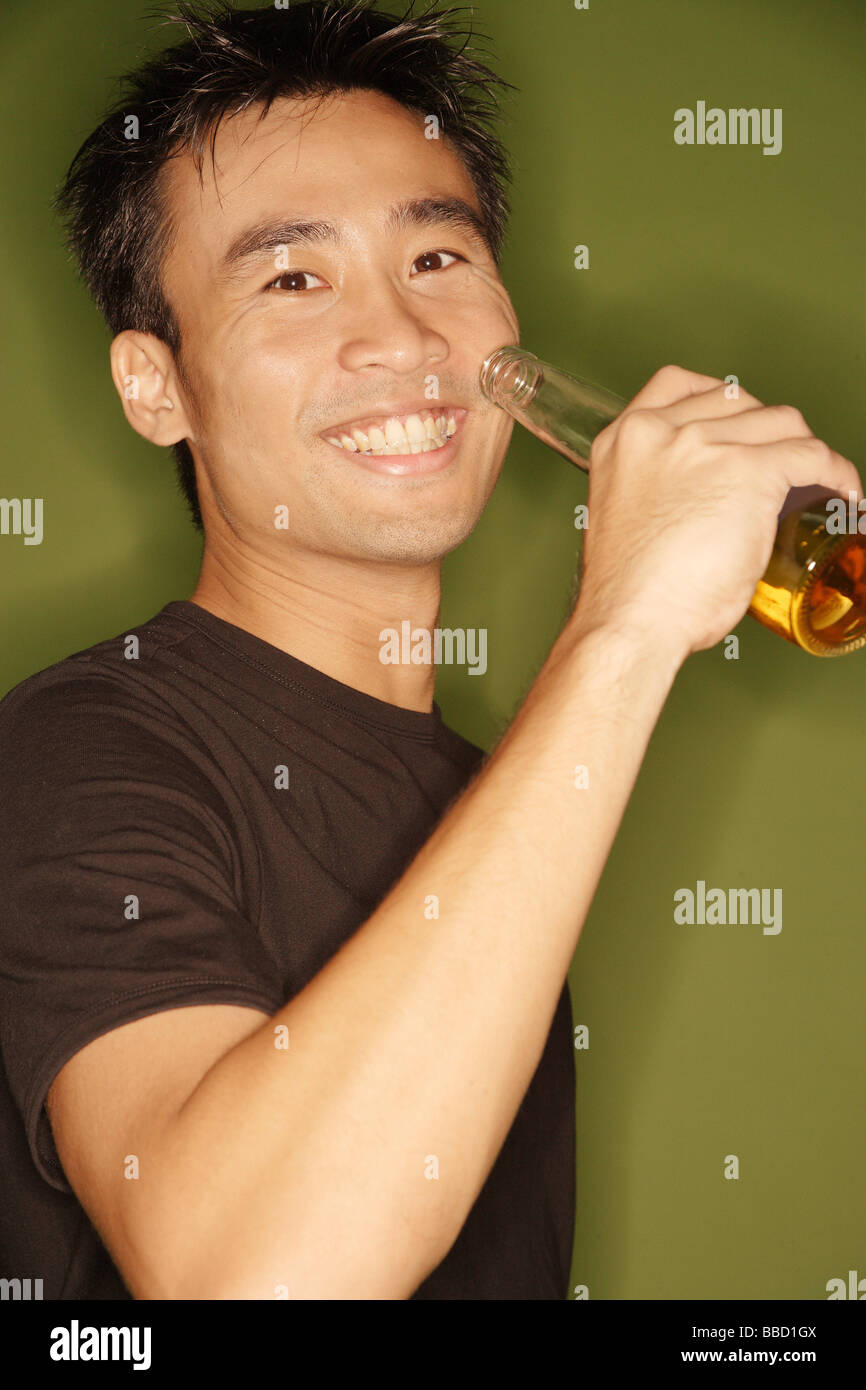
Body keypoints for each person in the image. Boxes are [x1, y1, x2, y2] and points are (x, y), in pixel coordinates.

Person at [0, 0, 858, 1301]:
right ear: (153, 386)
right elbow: (251, 1278)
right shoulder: (75, 750)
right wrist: (622, 628)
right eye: (291, 277)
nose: (401, 341)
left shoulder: (493, 797)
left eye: (440, 261)